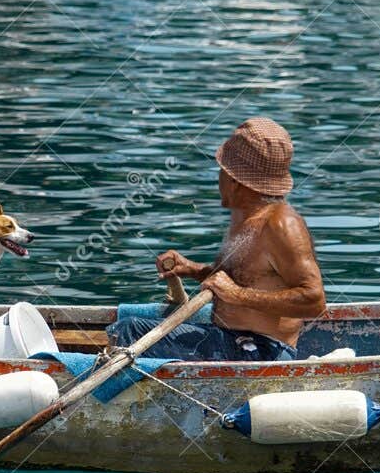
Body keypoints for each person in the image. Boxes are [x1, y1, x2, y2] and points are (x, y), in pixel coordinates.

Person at [108, 117, 325, 361]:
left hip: (262, 352)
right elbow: (240, 280)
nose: (219, 178)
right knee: (130, 327)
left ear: (235, 180)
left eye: (222, 171)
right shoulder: (246, 220)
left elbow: (314, 301)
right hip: (229, 338)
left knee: (129, 331)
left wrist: (236, 295)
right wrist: (192, 269)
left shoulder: (282, 225)